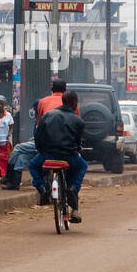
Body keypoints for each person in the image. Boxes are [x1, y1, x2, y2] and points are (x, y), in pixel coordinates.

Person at [30, 89, 88, 223]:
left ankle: (43, 189)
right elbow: (79, 142)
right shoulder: (78, 121)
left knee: (33, 165)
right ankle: (73, 189)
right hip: (69, 156)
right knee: (82, 166)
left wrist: (41, 151)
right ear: (74, 103)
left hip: (47, 155)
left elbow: (37, 137)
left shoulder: (47, 115)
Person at [0, 95, 15, 184]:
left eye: (1, 104)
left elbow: (11, 126)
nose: (0, 106)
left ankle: (4, 176)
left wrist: (9, 133)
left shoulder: (8, 115)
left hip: (4, 142)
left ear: (4, 104)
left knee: (5, 159)